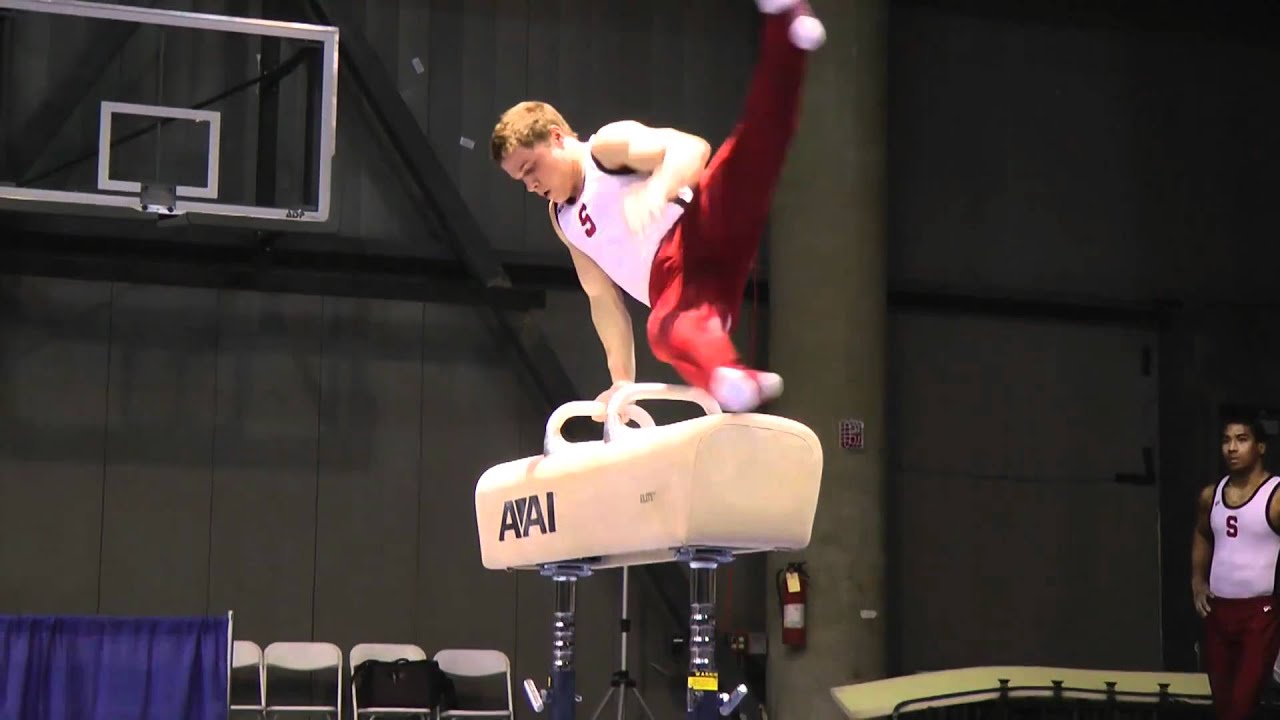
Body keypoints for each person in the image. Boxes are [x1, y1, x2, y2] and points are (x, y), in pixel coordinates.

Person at [488, 0, 826, 413]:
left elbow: (690, 149)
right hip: (679, 291)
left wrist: (656, 190)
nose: (530, 184)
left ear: (557, 138)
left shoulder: (606, 150)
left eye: (530, 168)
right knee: (669, 330)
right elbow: (603, 300)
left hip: (700, 228)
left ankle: (785, 28)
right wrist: (622, 385)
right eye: (520, 179)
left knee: (754, 151)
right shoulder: (564, 221)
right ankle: (731, 378)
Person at [1191, 412, 1280, 720]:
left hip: (1259, 615)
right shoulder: (1211, 495)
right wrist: (1198, 581)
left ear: (1261, 447)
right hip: (1219, 613)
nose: (1232, 448)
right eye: (1226, 440)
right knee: (1224, 706)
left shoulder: (1276, 495)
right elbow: (1203, 534)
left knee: (1241, 706)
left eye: (1241, 440)